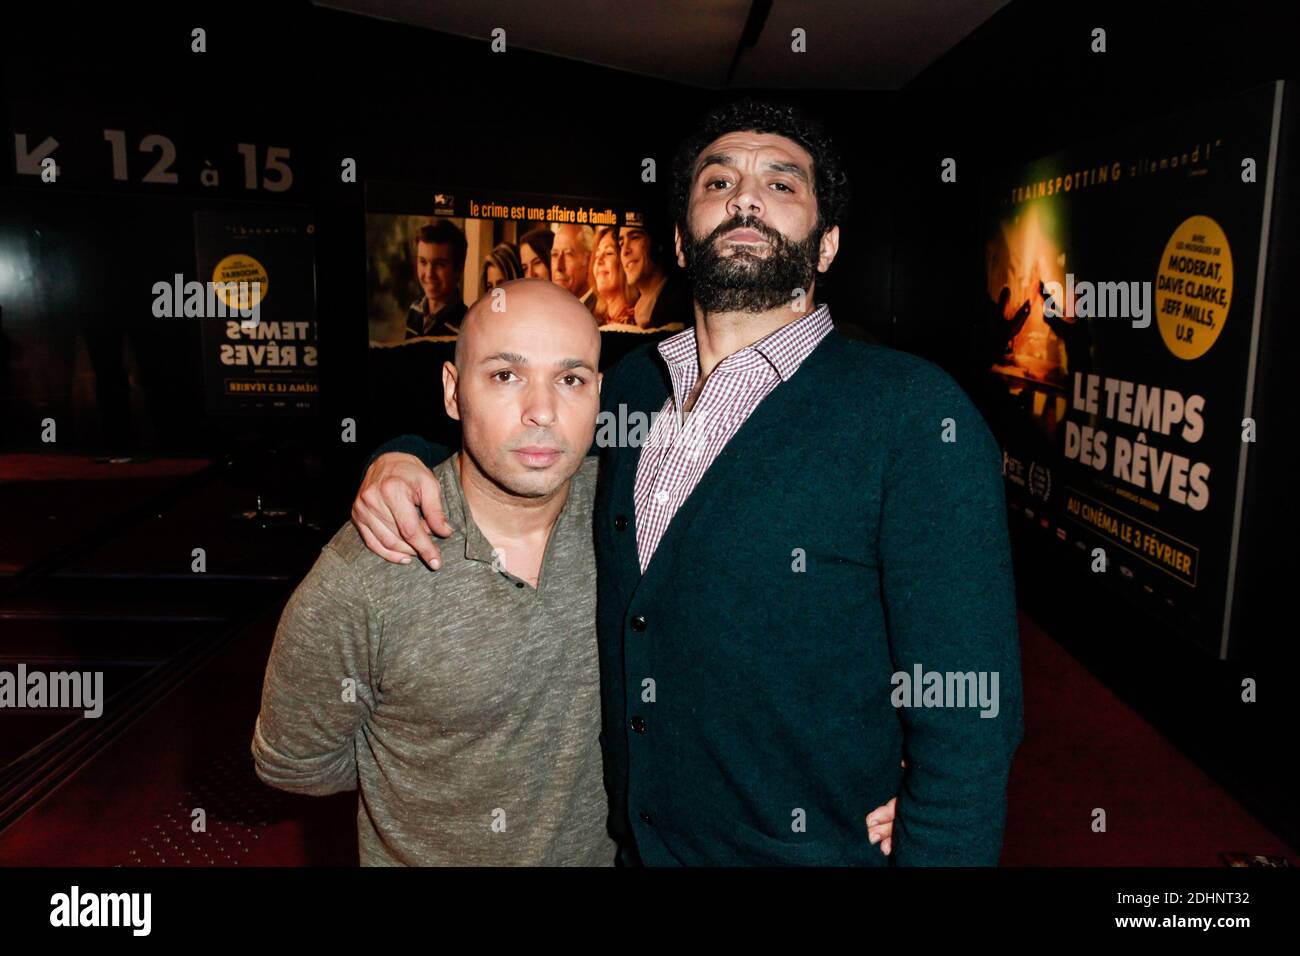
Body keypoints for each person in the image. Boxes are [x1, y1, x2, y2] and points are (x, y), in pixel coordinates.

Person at [352, 99, 1021, 866]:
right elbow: (499, 441)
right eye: (718, 181)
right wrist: (397, 456)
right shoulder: (626, 388)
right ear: (679, 236)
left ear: (828, 244)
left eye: (781, 184)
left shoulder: (912, 415)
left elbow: (971, 710)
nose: (745, 196)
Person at [252, 280, 615, 865]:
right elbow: (297, 764)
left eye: (570, 379)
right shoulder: (362, 573)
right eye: (505, 375)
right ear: (452, 392)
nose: (543, 411)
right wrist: (420, 786)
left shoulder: (633, 518)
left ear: (599, 393)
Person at [620, 217, 691, 330]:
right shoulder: (634, 309)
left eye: (634, 237)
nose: (625, 251)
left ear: (657, 243)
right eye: (621, 243)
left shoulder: (680, 303)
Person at [405, 221, 468, 338]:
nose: (429, 274)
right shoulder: (415, 310)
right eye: (423, 262)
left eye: (439, 264)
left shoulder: (466, 328)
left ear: (459, 269)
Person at [590, 226, 635, 325]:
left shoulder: (636, 322)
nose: (599, 261)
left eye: (609, 253)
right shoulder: (593, 320)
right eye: (597, 255)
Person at [551, 224, 596, 314]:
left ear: (589, 260)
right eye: (555, 255)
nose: (559, 267)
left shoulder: (599, 314)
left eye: (568, 254)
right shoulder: (550, 310)